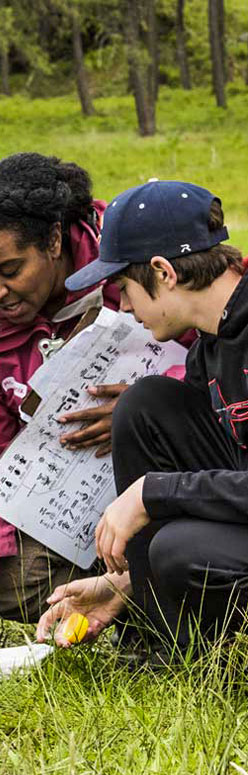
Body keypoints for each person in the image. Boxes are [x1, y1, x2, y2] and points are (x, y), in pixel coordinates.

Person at [0, 153, 143, 652]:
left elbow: (217, 364)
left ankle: (151, 585)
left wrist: (144, 408)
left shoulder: (132, 258)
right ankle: (124, 590)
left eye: (9, 270)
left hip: (160, 486)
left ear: (53, 240)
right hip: (68, 505)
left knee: (179, 549)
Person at [37, 180, 248, 658]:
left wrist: (155, 492)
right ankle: (156, 632)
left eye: (124, 289)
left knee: (180, 549)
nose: (126, 307)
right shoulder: (212, 343)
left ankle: (202, 655)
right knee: (146, 404)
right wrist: (126, 584)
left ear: (162, 272)